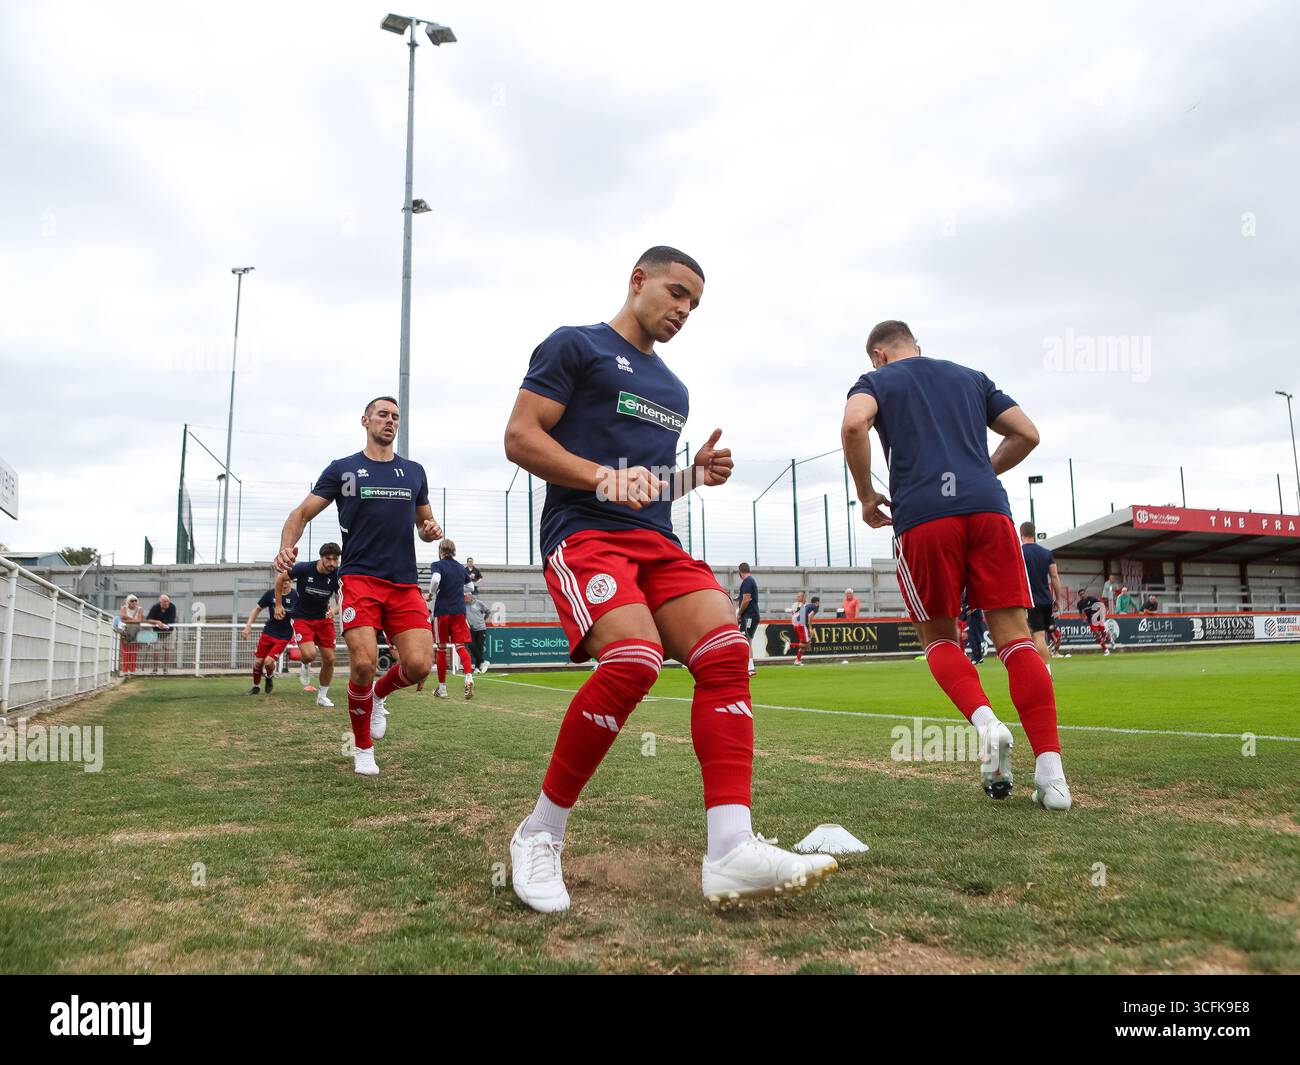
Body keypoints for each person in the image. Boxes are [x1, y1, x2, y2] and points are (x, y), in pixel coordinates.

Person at [502, 245, 836, 913]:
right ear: (637, 281)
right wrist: (599, 475)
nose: (683, 309)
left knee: (725, 652)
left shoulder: (674, 391)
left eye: (694, 303)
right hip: (585, 536)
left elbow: (644, 488)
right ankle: (539, 833)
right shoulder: (574, 346)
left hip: (655, 541)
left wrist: (693, 477)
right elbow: (519, 437)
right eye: (676, 292)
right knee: (634, 660)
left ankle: (731, 850)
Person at [842, 319, 1070, 811]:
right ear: (917, 347)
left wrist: (865, 497)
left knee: (940, 639)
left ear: (878, 355)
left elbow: (854, 424)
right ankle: (1052, 777)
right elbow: (1028, 434)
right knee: (1015, 636)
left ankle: (988, 727)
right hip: (989, 509)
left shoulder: (875, 381)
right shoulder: (971, 376)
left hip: (924, 516)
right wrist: (980, 472)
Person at [274, 396, 442, 776]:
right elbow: (300, 514)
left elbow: (426, 525)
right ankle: (363, 749)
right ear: (365, 420)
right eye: (383, 414)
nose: (390, 421)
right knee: (364, 662)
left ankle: (380, 696)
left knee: (418, 666)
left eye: (396, 417)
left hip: (403, 583)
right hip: (360, 580)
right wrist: (286, 548)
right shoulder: (344, 470)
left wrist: (431, 530)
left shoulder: (414, 472)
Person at [278, 542, 341, 708]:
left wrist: (334, 610)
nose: (332, 563)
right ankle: (305, 664)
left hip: (324, 619)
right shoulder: (304, 569)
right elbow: (280, 579)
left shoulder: (336, 575)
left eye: (336, 559)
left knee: (330, 658)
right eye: (329, 559)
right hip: (303, 618)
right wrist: (278, 605)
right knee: (310, 655)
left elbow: (342, 598)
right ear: (321, 558)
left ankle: (322, 696)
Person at [427, 538, 476, 699]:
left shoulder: (438, 565)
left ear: (441, 551)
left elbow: (435, 579)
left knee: (441, 648)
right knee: (460, 646)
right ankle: (468, 678)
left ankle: (442, 688)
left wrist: (431, 594)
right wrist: (458, 591)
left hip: (443, 611)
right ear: (453, 551)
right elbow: (471, 587)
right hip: (459, 611)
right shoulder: (460, 568)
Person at [242, 583, 297, 695]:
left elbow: (301, 615)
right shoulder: (271, 593)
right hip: (269, 632)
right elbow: (257, 609)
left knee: (268, 662)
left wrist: (297, 633)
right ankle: (256, 687)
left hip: (284, 635)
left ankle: (269, 676)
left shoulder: (295, 595)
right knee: (258, 663)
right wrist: (248, 625)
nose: (285, 582)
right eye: (282, 579)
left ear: (290, 580)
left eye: (287, 579)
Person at [1020, 522, 1062, 667]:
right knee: (1039, 636)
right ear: (1034, 533)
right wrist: (1058, 599)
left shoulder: (1019, 552)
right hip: (1046, 600)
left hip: (1030, 601)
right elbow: (1055, 577)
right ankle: (1038, 670)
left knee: (1037, 637)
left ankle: (1046, 672)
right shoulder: (1046, 553)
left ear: (1021, 534)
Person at [734, 563, 759, 676]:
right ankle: (749, 667)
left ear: (740, 572)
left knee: (746, 640)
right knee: (747, 640)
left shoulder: (747, 581)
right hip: (751, 615)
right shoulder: (750, 581)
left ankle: (749, 668)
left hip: (749, 615)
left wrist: (739, 614)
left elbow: (746, 599)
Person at [144, 593, 177, 673]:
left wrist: (162, 624)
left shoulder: (172, 607)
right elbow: (148, 619)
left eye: (168, 601)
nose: (166, 603)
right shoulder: (155, 607)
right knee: (156, 650)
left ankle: (165, 669)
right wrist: (157, 622)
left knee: (168, 650)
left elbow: (171, 620)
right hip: (157, 632)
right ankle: (155, 669)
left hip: (169, 632)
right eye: (165, 602)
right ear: (160, 602)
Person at [465, 589, 491, 672]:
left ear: (470, 596)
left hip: (480, 628)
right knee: (471, 646)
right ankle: (483, 661)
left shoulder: (479, 603)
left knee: (479, 647)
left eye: (465, 596)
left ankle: (477, 667)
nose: (464, 598)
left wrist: (483, 620)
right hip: (470, 629)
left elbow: (488, 611)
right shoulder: (462, 605)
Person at [117, 594, 144, 675]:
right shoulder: (123, 608)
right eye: (132, 601)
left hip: (136, 632)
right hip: (125, 632)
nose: (134, 602)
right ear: (128, 602)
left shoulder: (140, 609)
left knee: (133, 651)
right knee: (125, 651)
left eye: (135, 600)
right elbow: (122, 618)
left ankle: (132, 670)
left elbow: (139, 620)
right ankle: (125, 670)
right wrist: (133, 619)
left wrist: (127, 618)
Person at [791, 593, 819, 664]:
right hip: (802, 625)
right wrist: (810, 628)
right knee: (807, 645)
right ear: (817, 602)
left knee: (805, 644)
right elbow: (809, 617)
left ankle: (797, 660)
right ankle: (790, 644)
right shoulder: (815, 607)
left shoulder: (807, 605)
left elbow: (796, 613)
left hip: (797, 624)